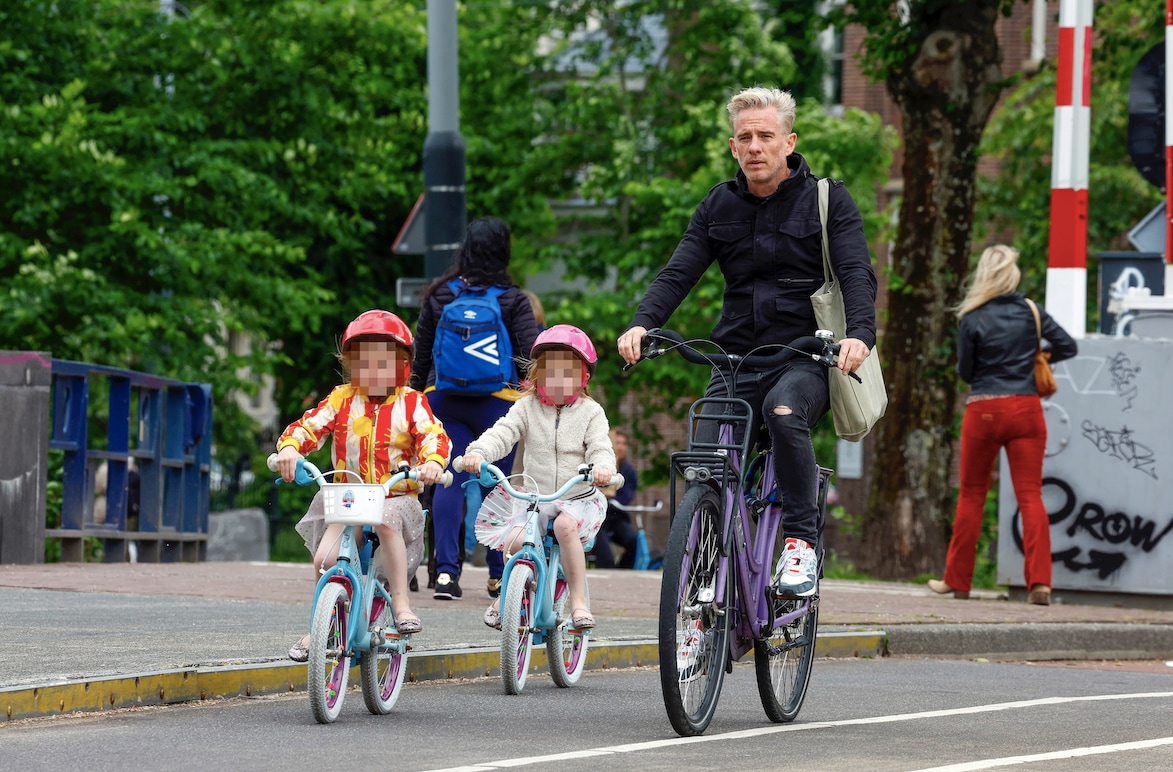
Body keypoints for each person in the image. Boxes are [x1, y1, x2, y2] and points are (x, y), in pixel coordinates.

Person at [617, 86, 877, 597]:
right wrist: (642, 324)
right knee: (705, 461)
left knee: (783, 412)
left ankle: (801, 544)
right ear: (734, 147)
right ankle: (705, 570)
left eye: (765, 136)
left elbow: (855, 273)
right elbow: (678, 273)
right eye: (744, 137)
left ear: (788, 142)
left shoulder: (828, 200)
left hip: (807, 357)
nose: (755, 146)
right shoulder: (718, 204)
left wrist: (861, 337)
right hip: (735, 360)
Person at [275, 310, 450, 661]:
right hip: (351, 498)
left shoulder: (412, 402)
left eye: (384, 364)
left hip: (396, 496)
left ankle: (401, 603)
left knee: (385, 519)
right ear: (351, 365)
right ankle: (319, 624)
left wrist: (431, 463)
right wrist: (291, 449)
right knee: (325, 559)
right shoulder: (341, 399)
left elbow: (434, 435)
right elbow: (309, 426)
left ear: (402, 366)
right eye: (364, 364)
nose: (373, 372)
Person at [928, 245, 1077, 606]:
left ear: (984, 275)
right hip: (1026, 409)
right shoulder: (1031, 311)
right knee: (1031, 496)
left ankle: (958, 581)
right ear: (1012, 274)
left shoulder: (972, 317)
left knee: (972, 494)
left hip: (985, 410)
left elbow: (965, 372)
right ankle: (1039, 583)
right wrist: (1039, 357)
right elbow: (1067, 345)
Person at [410, 216, 540, 601]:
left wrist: (415, 393)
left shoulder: (441, 295)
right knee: (494, 483)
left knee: (449, 478)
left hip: (443, 398)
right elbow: (529, 355)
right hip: (496, 404)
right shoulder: (513, 299)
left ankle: (447, 575)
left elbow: (420, 354)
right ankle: (499, 574)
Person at [461, 325, 616, 630]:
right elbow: (502, 433)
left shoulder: (591, 412)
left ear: (583, 377)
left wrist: (602, 468)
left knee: (564, 526)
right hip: (536, 498)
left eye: (568, 373)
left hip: (577, 500)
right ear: (538, 375)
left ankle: (579, 604)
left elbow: (601, 446)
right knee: (518, 539)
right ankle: (509, 593)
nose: (559, 380)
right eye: (551, 372)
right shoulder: (526, 408)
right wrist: (478, 453)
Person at [592, 427, 640, 569]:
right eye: (617, 442)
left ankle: (623, 572)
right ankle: (608, 569)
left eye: (624, 444)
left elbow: (626, 496)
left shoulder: (628, 471)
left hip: (616, 515)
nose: (620, 447)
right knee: (600, 541)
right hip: (597, 515)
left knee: (634, 540)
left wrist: (613, 500)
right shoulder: (597, 464)